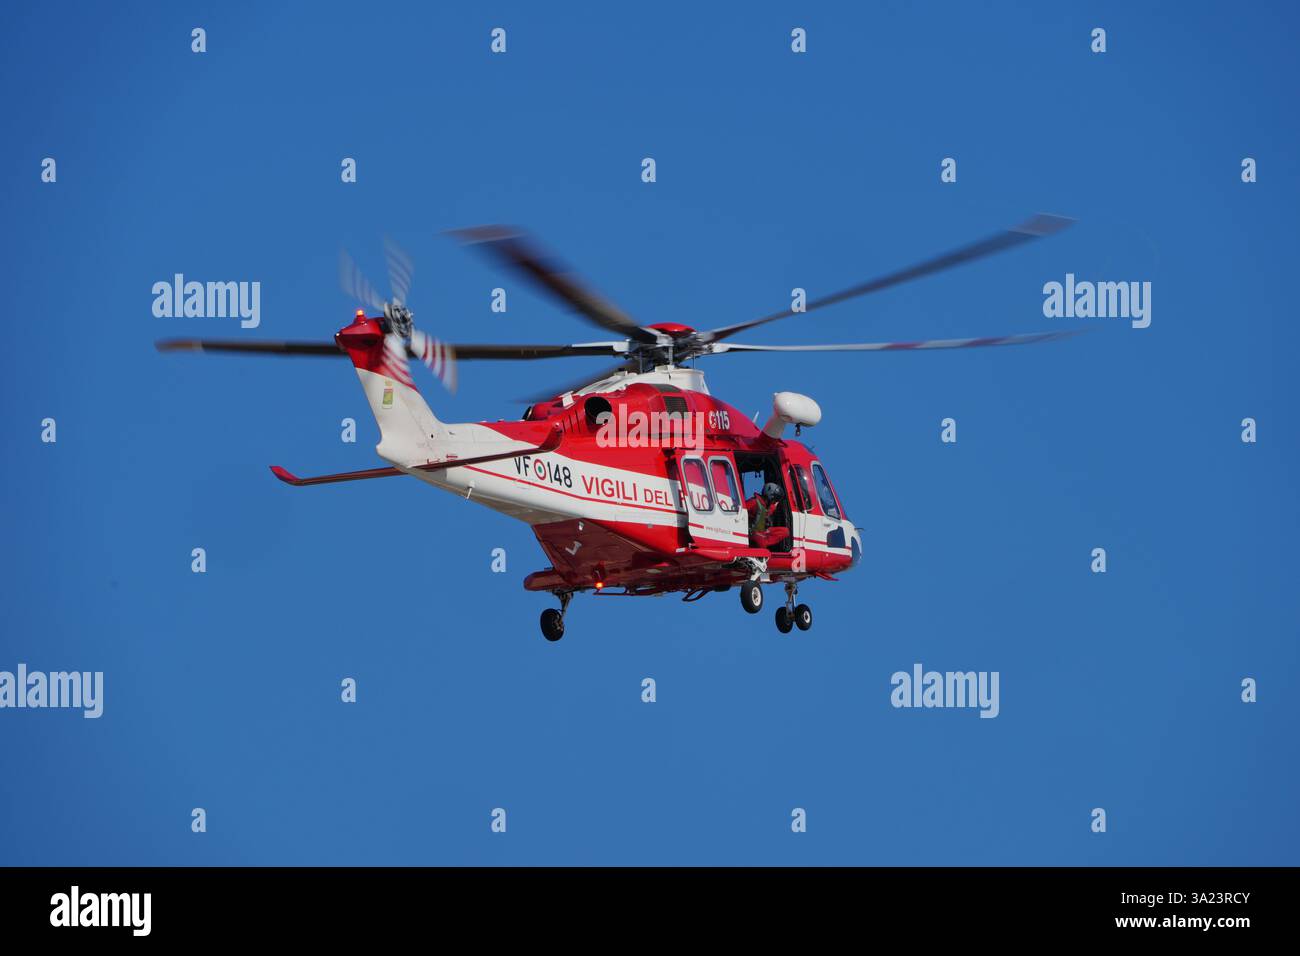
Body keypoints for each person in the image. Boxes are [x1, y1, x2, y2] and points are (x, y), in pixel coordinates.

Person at [746, 481, 788, 548]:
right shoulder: (753, 502)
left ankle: (764, 542)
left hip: (761, 532)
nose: (774, 501)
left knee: (785, 531)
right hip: (753, 533)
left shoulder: (764, 506)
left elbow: (765, 513)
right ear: (770, 496)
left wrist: (774, 506)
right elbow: (742, 510)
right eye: (775, 499)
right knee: (760, 540)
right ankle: (763, 547)